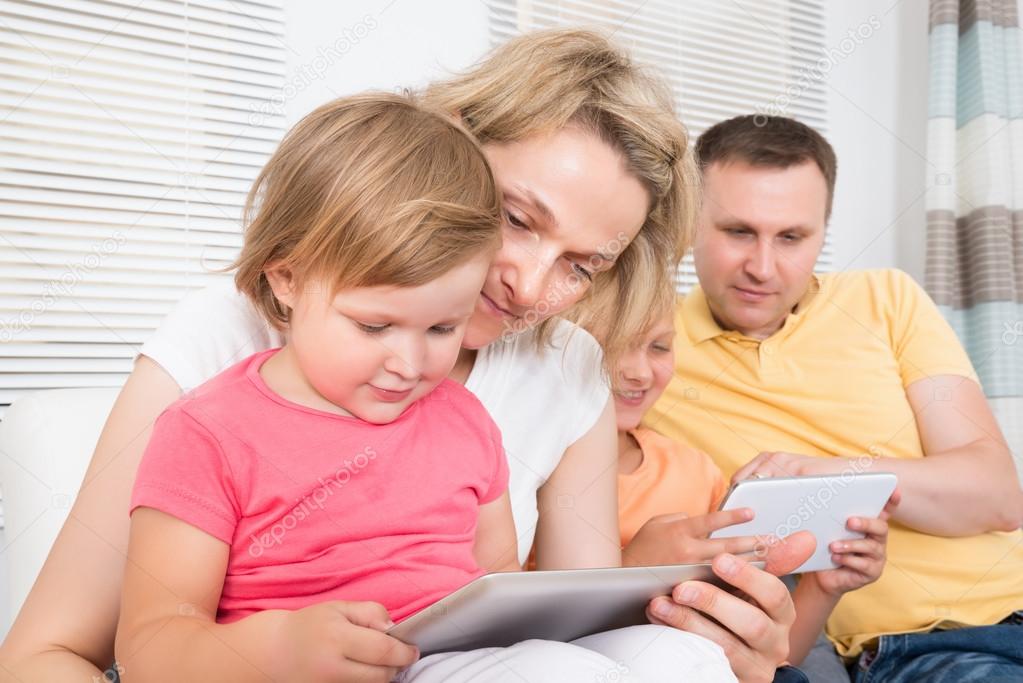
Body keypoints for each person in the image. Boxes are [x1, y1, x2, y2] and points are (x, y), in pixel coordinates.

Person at [0, 31, 806, 683]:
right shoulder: (226, 340)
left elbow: (564, 626)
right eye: (517, 218)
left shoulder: (565, 369)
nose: (526, 285)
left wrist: (720, 639)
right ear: (439, 148)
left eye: (580, 265)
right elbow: (46, 656)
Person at [644, 114, 1023, 682]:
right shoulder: (647, 343)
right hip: (901, 652)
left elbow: (995, 493)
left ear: (823, 231)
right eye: (738, 232)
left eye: (792, 238)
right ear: (690, 222)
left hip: (1005, 615)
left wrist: (823, 474)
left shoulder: (887, 299)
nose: (762, 268)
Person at [597, 284, 896, 682]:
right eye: (611, 343)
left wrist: (824, 587)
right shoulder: (528, 469)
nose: (638, 371)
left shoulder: (695, 470)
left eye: (659, 347)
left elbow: (765, 657)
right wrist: (632, 570)